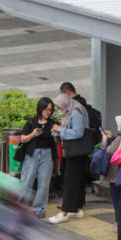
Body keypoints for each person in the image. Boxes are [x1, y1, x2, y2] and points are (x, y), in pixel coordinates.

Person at [48, 94, 89, 224]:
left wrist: (60, 129)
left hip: (75, 152)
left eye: (60, 106)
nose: (59, 109)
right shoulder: (72, 110)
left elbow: (78, 132)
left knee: (70, 182)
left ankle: (64, 212)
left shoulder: (76, 112)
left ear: (65, 103)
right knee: (76, 181)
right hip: (75, 152)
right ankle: (77, 209)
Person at [19, 97, 57, 219]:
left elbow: (57, 142)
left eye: (50, 110)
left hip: (48, 155)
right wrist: (33, 134)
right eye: (46, 109)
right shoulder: (31, 122)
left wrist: (56, 134)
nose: (48, 112)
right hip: (32, 154)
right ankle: (21, 209)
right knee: (26, 182)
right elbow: (23, 139)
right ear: (40, 109)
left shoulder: (52, 124)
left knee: (44, 184)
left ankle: (39, 210)